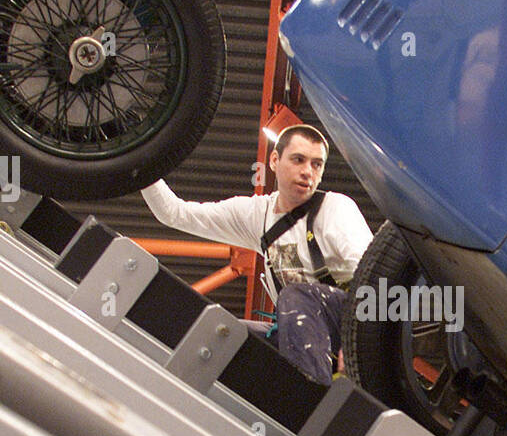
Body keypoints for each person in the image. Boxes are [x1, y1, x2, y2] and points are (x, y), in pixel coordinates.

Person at [140, 124, 372, 385]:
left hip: (358, 320)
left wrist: (356, 342)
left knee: (296, 296)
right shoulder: (256, 216)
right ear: (274, 160)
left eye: (317, 165)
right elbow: (173, 214)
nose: (308, 171)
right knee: (220, 335)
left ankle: (312, 401)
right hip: (301, 331)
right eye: (298, 160)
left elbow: (375, 279)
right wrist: (141, 158)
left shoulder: (334, 209)